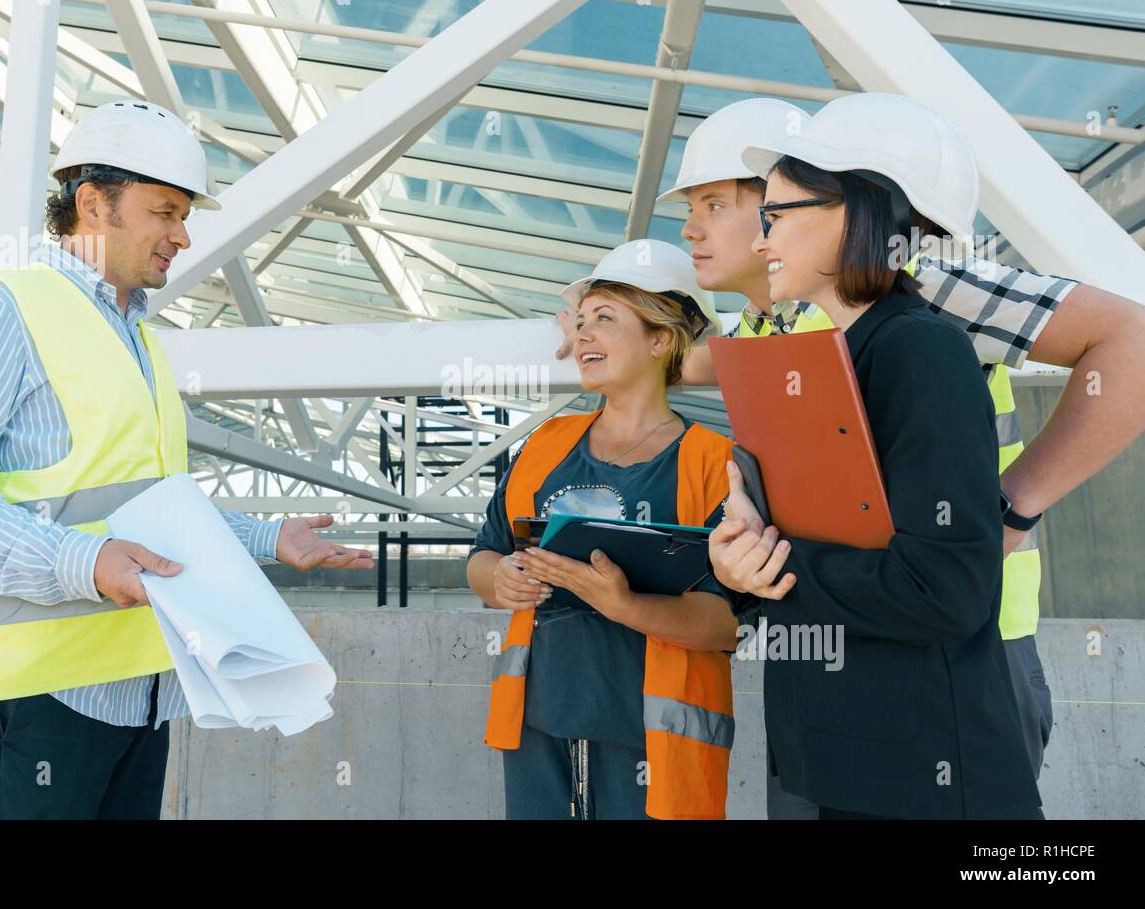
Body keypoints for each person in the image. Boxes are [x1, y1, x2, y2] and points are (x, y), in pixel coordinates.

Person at [556, 93, 1145, 817]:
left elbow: (1133, 342)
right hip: (841, 666)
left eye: (719, 204)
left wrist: (1010, 508)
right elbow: (669, 361)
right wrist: (597, 318)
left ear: (843, 205)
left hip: (952, 661)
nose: (692, 228)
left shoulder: (932, 295)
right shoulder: (777, 329)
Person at [0, 99, 373, 820]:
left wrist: (269, 538)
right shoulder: (5, 308)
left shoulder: (137, 339)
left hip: (137, 695)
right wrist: (81, 563)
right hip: (33, 700)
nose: (181, 236)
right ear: (93, 204)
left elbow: (148, 511)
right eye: (165, 211)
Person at [706, 93, 1044, 818]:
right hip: (851, 759)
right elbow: (795, 535)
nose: (761, 242)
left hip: (925, 776)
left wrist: (778, 563)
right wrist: (734, 560)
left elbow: (945, 589)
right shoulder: (828, 358)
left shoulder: (920, 351)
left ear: (857, 211)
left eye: (776, 217)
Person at [470, 239, 740, 819]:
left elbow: (724, 622)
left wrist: (622, 603)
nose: (583, 335)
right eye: (582, 320)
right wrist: (502, 580)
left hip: (655, 738)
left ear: (660, 339)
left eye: (606, 319)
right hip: (538, 725)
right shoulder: (545, 444)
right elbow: (484, 556)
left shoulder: (715, 464)